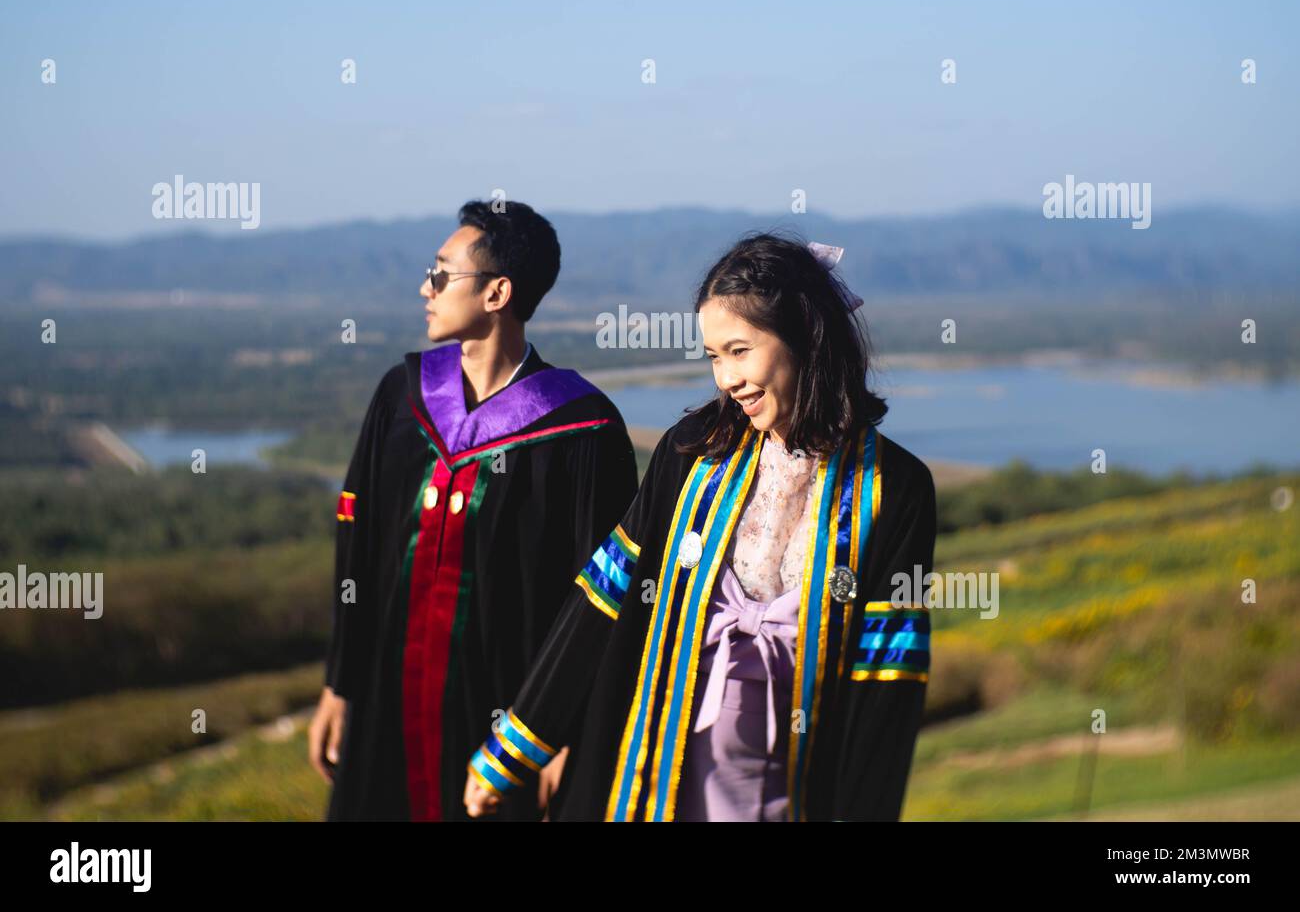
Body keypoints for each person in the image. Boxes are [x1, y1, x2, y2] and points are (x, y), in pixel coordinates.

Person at [464, 232, 936, 821]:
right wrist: (512, 751)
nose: (726, 379)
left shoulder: (898, 490)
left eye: (739, 351)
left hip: (798, 789)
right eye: (714, 356)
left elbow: (889, 672)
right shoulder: (691, 454)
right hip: (660, 775)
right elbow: (603, 600)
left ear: (804, 338)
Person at [309, 199, 638, 821]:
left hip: (506, 719)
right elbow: (358, 543)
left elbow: (603, 600)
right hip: (386, 699)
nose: (424, 289)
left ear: (497, 292)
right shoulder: (401, 396)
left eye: (441, 274)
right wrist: (340, 682)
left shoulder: (581, 430)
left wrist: (564, 732)